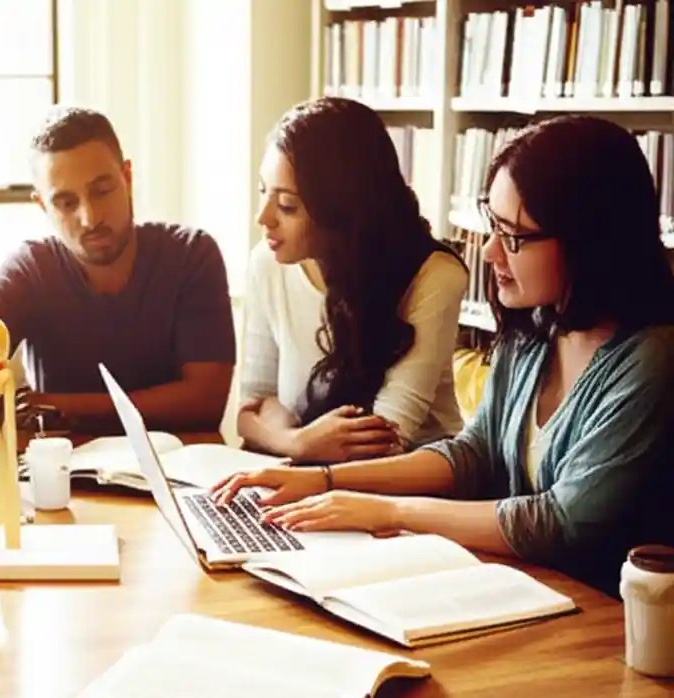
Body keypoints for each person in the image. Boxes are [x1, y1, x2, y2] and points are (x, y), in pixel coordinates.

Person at [213, 115, 674, 594]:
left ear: (589, 241)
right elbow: (473, 454)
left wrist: (387, 508)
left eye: (514, 237)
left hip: (607, 624)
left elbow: (563, 521)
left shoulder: (651, 359)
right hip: (527, 588)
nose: (491, 252)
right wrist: (325, 481)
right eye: (493, 226)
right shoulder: (536, 330)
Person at [238, 97, 467, 465]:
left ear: (340, 209)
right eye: (263, 191)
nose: (262, 217)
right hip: (307, 474)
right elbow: (252, 410)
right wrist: (298, 442)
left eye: (287, 205)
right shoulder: (267, 262)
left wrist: (295, 444)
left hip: (411, 486)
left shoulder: (433, 275)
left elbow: (389, 437)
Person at [0, 105, 236, 433]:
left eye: (102, 191)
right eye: (66, 203)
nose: (90, 217)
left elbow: (205, 401)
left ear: (127, 178)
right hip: (66, 475)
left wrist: (61, 406)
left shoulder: (192, 255)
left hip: (180, 474)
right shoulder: (30, 270)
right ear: (42, 205)